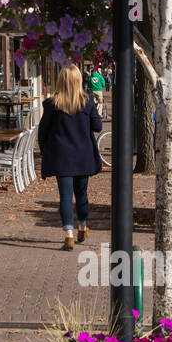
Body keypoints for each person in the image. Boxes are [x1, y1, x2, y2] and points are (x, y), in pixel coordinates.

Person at [37, 63, 103, 250]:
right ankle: (82, 225)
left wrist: (45, 150)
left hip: (61, 156)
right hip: (83, 156)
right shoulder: (87, 102)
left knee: (65, 196)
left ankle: (69, 234)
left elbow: (43, 131)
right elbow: (98, 127)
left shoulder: (52, 104)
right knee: (81, 194)